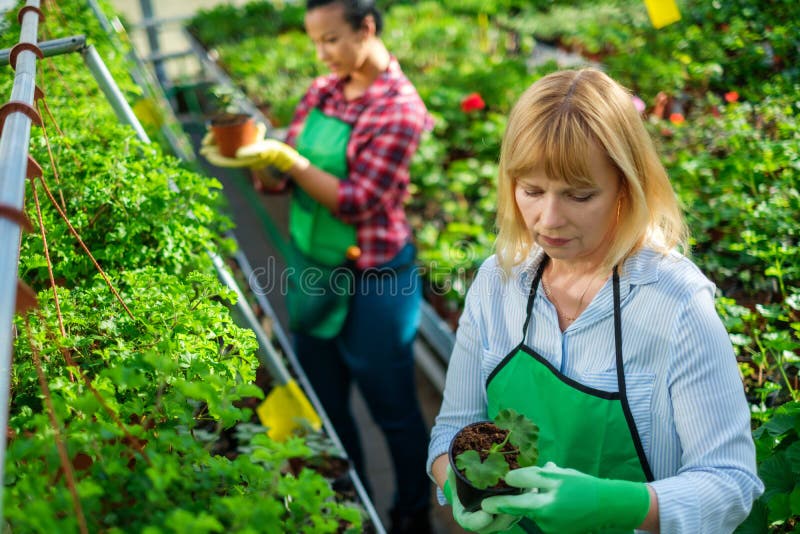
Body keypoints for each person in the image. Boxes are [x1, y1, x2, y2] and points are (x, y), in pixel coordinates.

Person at [427, 68, 764, 533]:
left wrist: (618, 505)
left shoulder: (675, 305)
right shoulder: (497, 283)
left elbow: (731, 483)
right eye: (532, 190)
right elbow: (453, 430)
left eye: (579, 195)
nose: (549, 219)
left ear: (627, 186)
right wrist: (456, 487)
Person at [201, 1, 434, 532]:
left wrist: (293, 162)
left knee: (392, 407)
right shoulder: (324, 90)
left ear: (367, 28)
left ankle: (413, 513)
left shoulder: (399, 108)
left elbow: (358, 201)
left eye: (331, 39)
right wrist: (263, 166)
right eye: (315, 41)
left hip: (375, 275)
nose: (322, 53)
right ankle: (358, 505)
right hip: (314, 267)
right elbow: (284, 182)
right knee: (327, 403)